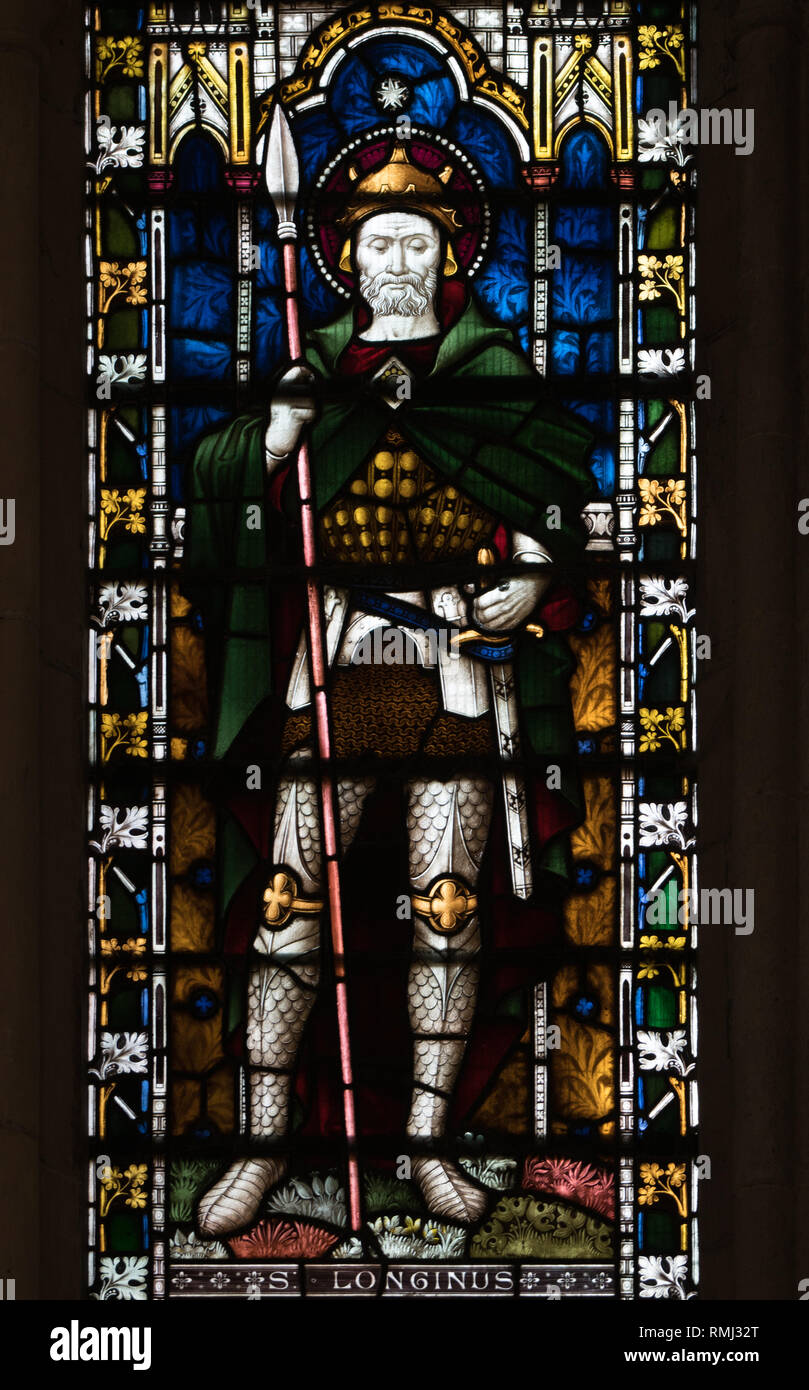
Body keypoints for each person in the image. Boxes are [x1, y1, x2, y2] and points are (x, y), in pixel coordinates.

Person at [189, 145, 594, 1236]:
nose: (400, 259)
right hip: (340, 656)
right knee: (286, 907)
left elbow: (568, 496)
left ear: (447, 253)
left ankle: (424, 1147)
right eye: (380, 241)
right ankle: (260, 1145)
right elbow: (213, 485)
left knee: (447, 912)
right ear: (345, 259)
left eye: (419, 240)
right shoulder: (309, 361)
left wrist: (527, 579)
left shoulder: (487, 368)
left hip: (455, 668)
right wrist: (272, 441)